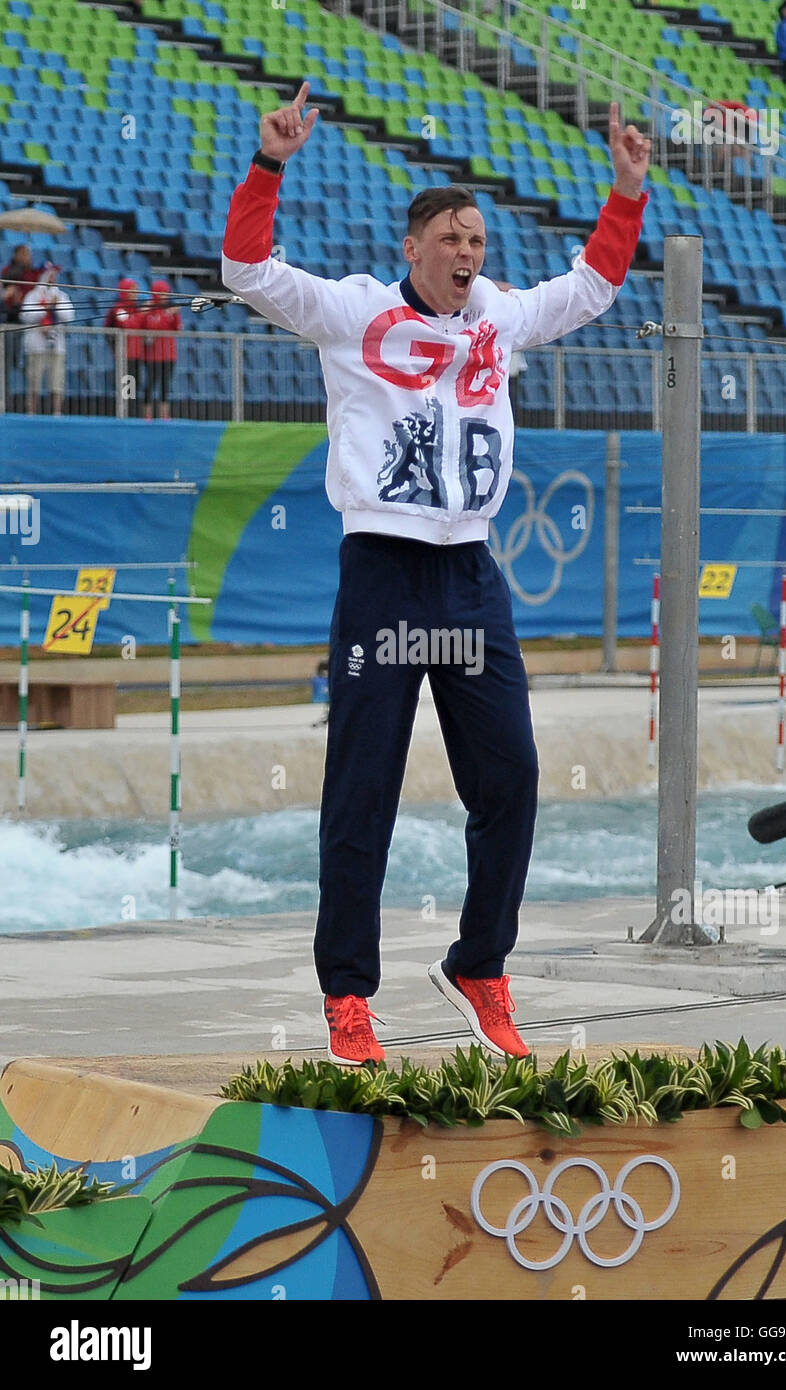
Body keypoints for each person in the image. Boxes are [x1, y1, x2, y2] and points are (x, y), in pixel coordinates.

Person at [222, 82, 650, 1066]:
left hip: (468, 579)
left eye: (479, 242)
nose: (469, 255)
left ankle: (479, 964)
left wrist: (626, 190)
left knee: (512, 780)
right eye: (454, 239)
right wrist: (270, 162)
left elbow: (590, 288)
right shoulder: (352, 312)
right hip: (382, 575)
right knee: (361, 790)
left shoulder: (499, 318)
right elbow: (246, 269)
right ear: (415, 246)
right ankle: (347, 995)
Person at [19, 262, 74, 415]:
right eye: (49, 273)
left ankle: (57, 411)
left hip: (56, 345)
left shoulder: (61, 295)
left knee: (57, 380)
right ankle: (32, 410)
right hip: (36, 345)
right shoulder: (32, 295)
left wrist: (55, 306)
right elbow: (26, 316)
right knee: (34, 379)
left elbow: (69, 316)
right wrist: (44, 309)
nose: (52, 277)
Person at [1, 243, 41, 403]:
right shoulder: (9, 271)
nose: (28, 257)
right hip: (11, 321)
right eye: (24, 254)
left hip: (29, 322)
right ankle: (5, 398)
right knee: (7, 362)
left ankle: (31, 402)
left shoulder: (32, 273)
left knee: (28, 362)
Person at [139, 278, 181, 419]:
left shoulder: (171, 310)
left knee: (165, 385)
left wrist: (171, 315)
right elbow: (150, 326)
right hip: (153, 355)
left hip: (168, 355)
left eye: (167, 294)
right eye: (162, 294)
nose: (165, 297)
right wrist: (166, 315)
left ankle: (164, 415)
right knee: (150, 384)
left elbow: (177, 328)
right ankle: (147, 415)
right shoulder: (150, 310)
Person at [104, 277, 145, 414]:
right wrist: (114, 348)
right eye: (133, 291)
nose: (136, 294)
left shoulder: (137, 310)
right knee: (125, 384)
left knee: (135, 384)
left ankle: (132, 412)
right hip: (124, 354)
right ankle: (123, 411)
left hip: (136, 354)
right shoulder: (118, 309)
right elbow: (113, 328)